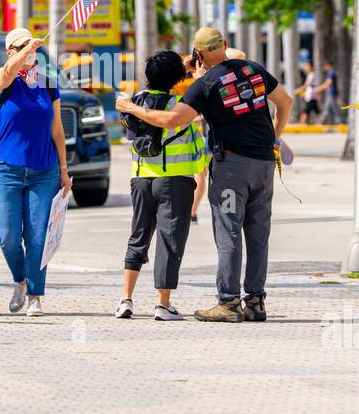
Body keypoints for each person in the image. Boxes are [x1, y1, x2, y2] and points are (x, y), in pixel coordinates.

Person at [117, 27, 293, 323]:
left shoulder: (206, 84)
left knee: (229, 232)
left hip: (231, 167)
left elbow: (171, 120)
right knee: (259, 233)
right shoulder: (254, 69)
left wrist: (131, 107)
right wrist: (273, 139)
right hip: (263, 163)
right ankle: (256, 301)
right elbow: (285, 102)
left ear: (197, 54)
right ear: (224, 44)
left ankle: (228, 302)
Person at [115, 51, 208, 321]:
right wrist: (190, 73)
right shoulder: (179, 106)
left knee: (138, 237)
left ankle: (125, 300)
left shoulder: (132, 103)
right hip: (175, 182)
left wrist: (180, 68)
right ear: (177, 78)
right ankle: (163, 304)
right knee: (169, 241)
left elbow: (151, 88)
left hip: (141, 179)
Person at [0, 27, 72, 317]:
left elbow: (57, 130)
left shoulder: (48, 85)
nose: (30, 50)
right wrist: (25, 49)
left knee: (38, 236)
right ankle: (20, 281)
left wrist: (63, 168)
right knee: (7, 235)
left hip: (44, 170)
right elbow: (7, 72)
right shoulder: (4, 79)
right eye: (22, 47)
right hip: (6, 170)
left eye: (32, 46)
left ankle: (35, 295)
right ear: (10, 52)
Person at [183, 53, 208, 224]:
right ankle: (192, 212)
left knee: (200, 175)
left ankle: (191, 212)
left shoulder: (199, 85)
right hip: (212, 136)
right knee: (203, 175)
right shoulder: (216, 79)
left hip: (204, 137)